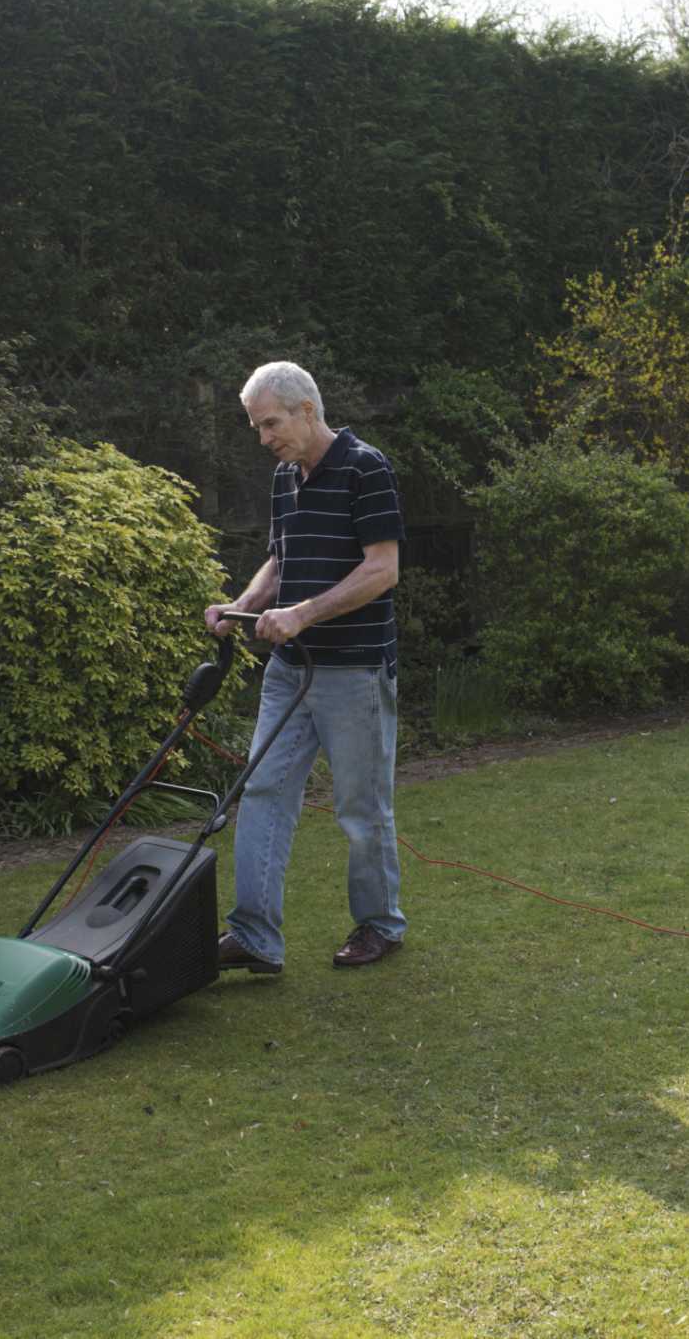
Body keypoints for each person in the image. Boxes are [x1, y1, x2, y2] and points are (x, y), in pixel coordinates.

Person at [204, 361, 407, 973]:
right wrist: (242, 606)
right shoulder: (284, 478)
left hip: (355, 673)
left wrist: (305, 614)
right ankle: (256, 937)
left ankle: (379, 924)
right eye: (257, 427)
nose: (263, 437)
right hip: (289, 672)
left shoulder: (366, 469)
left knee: (360, 807)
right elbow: (278, 560)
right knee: (262, 788)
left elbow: (382, 569)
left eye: (270, 424)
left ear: (307, 411)